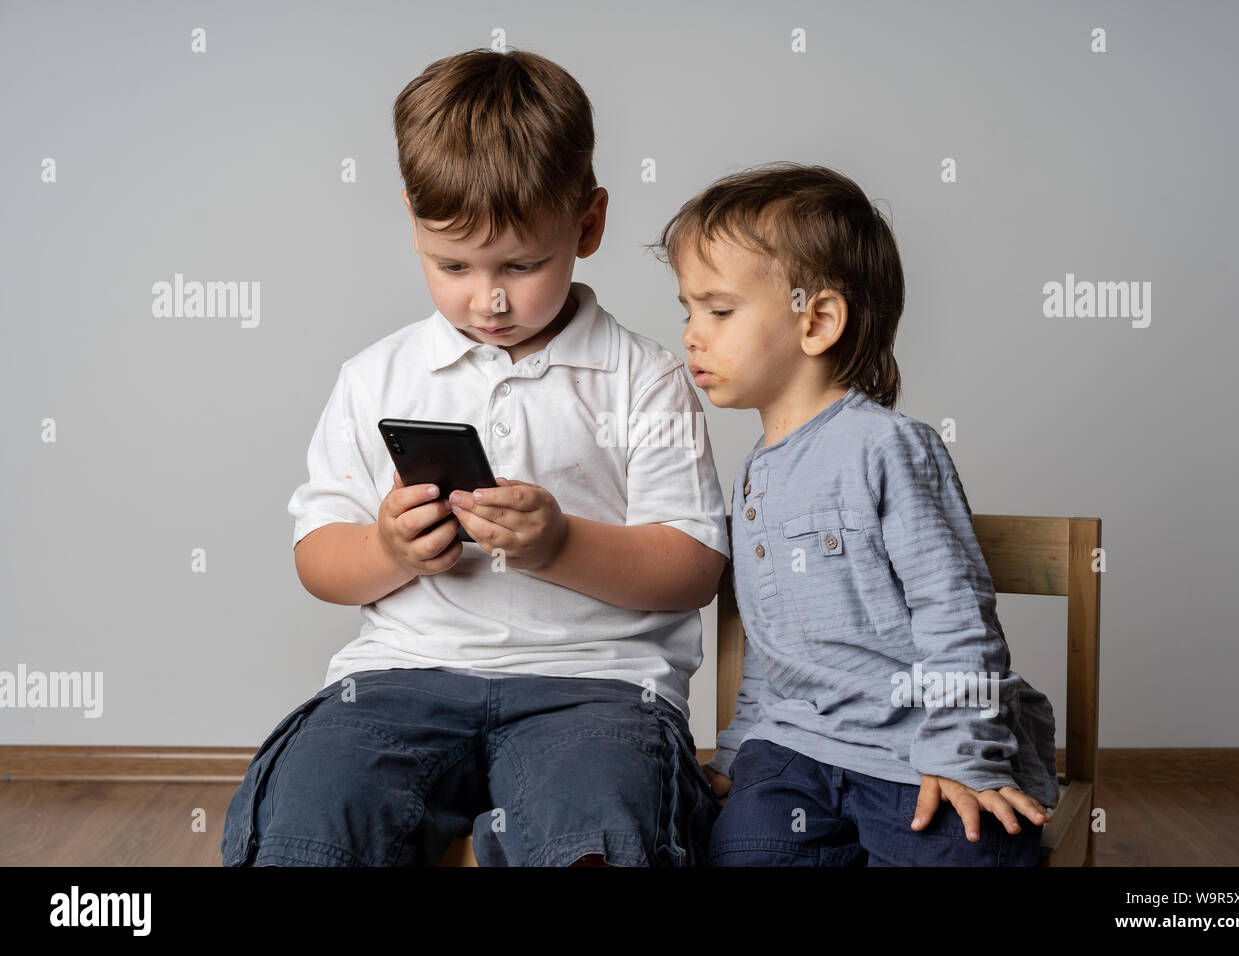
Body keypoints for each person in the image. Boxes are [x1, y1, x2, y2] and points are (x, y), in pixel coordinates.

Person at [221, 48, 729, 867]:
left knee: (597, 830)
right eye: (451, 265)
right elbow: (319, 557)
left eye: (522, 266)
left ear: (588, 226)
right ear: (412, 223)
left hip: (597, 688)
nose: (487, 298)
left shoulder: (647, 379)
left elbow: (693, 566)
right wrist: (387, 549)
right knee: (308, 817)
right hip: (398, 680)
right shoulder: (375, 377)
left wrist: (562, 545)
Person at [652, 162, 1059, 866]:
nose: (692, 334)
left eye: (717, 310)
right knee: (736, 853)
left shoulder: (887, 448)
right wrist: (743, 743)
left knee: (963, 851)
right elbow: (771, 645)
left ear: (818, 321)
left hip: (914, 749)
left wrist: (961, 752)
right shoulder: (753, 473)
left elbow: (957, 617)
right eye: (687, 310)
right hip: (796, 753)